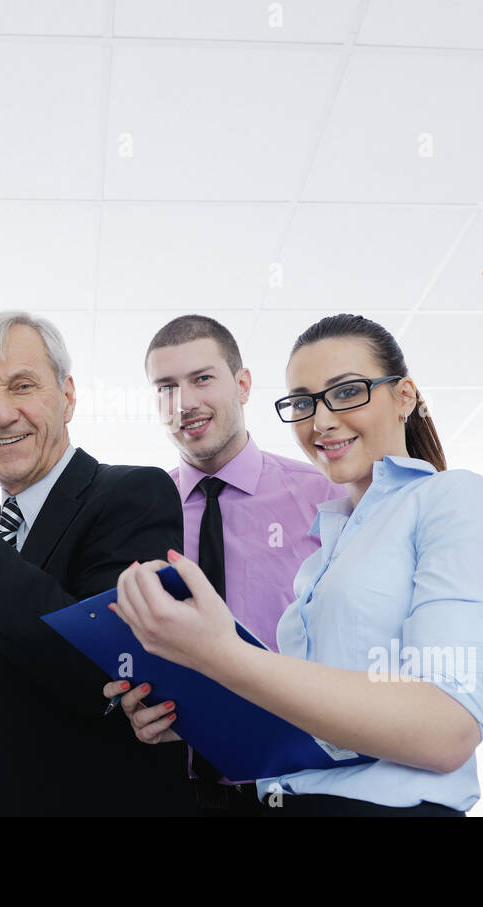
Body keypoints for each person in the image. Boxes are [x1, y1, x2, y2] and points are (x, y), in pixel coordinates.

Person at [109, 314, 483, 816]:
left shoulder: (456, 497)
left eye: (347, 392)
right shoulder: (331, 542)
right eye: (304, 403)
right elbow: (318, 713)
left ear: (405, 396)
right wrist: (196, 713)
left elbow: (448, 728)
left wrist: (219, 653)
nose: (322, 421)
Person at [0, 311, 196, 816]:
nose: (1, 414)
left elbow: (103, 675)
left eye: (22, 386)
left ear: (67, 398)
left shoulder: (133, 494)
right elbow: (19, 681)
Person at [114, 315, 348, 814]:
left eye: (202, 379)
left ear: (242, 385)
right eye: (166, 388)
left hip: (303, 784)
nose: (186, 402)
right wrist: (129, 704)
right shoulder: (138, 516)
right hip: (177, 789)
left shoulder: (326, 499)